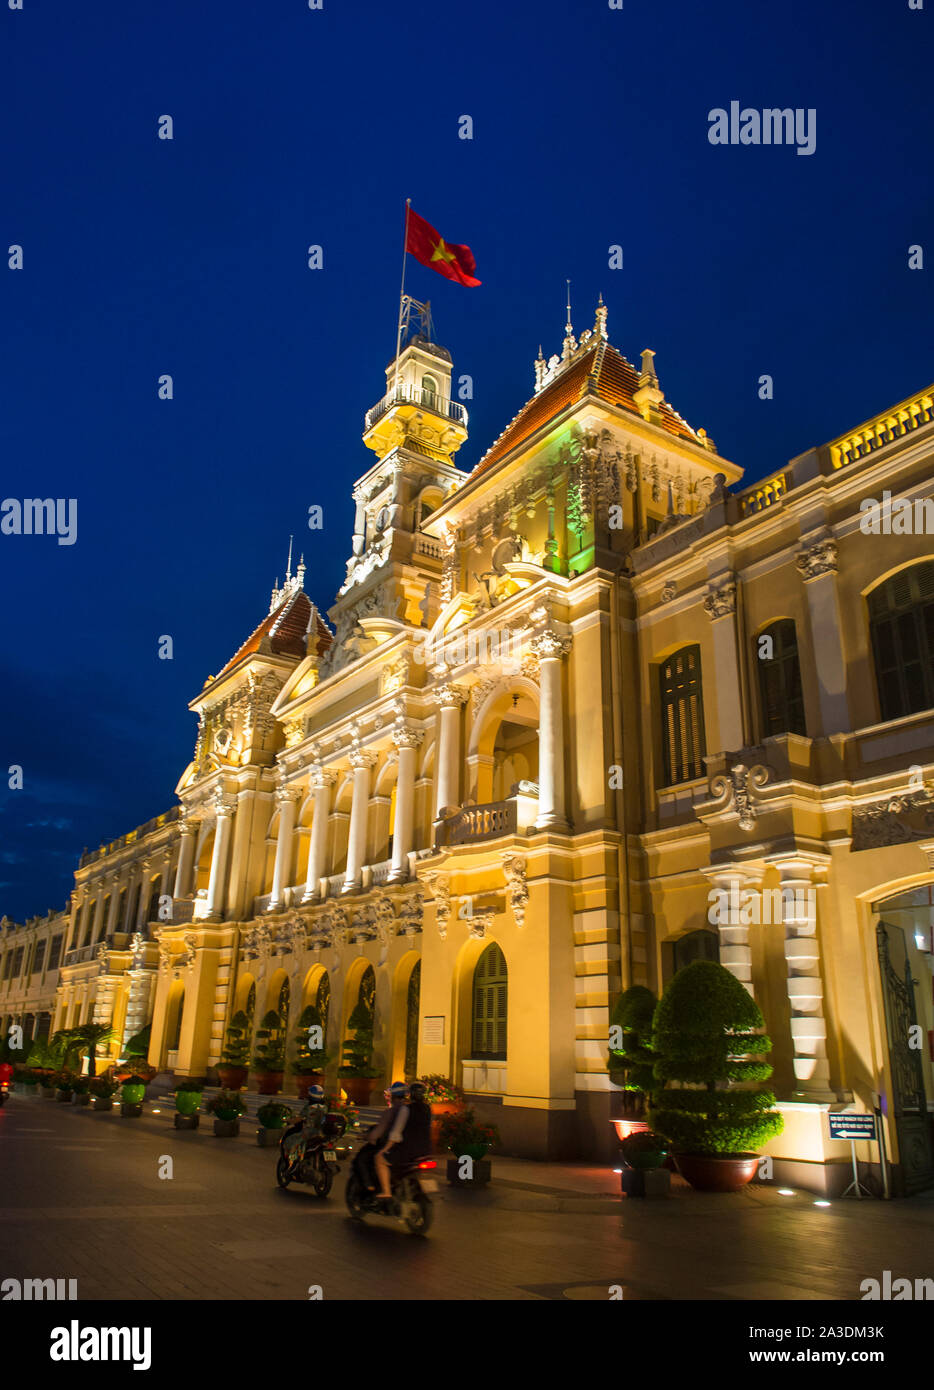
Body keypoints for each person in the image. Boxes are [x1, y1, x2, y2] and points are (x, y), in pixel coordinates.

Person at [374, 1080, 432, 1202]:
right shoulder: (427, 1109)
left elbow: (396, 1133)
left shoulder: (406, 1109)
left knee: (379, 1159)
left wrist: (385, 1149)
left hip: (407, 1150)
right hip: (425, 1150)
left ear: (410, 1094)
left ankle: (386, 1192)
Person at [360, 1082, 409, 1195]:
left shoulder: (393, 1111)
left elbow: (381, 1132)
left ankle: (378, 1189)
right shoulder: (408, 1109)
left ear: (392, 1096)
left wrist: (368, 1137)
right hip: (405, 1147)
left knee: (369, 1158)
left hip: (391, 1146)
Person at [282, 1084, 327, 1167]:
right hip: (321, 1133)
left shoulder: (309, 1108)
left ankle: (292, 1161)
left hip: (309, 1132)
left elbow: (299, 1118)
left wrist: (288, 1121)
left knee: (291, 1140)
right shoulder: (325, 1107)